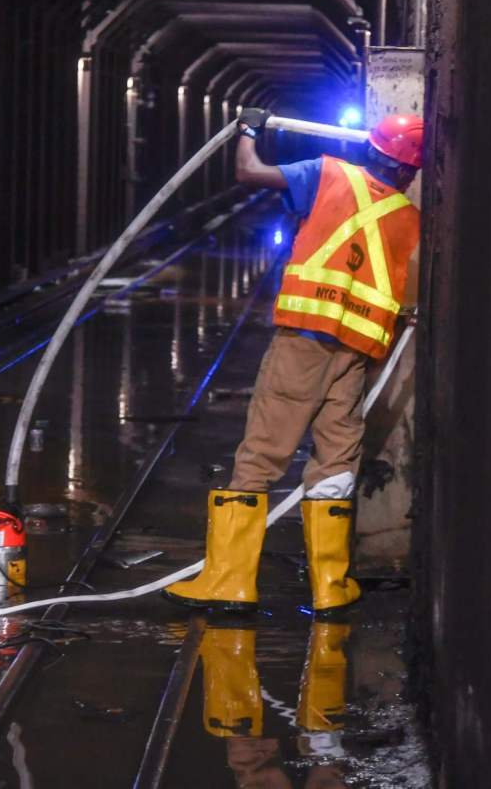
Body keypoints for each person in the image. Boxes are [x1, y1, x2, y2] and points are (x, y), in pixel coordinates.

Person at [161, 109, 423, 615]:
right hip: (357, 350)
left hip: (304, 339)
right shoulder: (409, 219)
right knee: (336, 460)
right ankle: (331, 587)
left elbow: (248, 171)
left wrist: (249, 131)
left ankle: (230, 582)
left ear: (370, 149)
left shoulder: (328, 173)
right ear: (409, 172)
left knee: (262, 452)